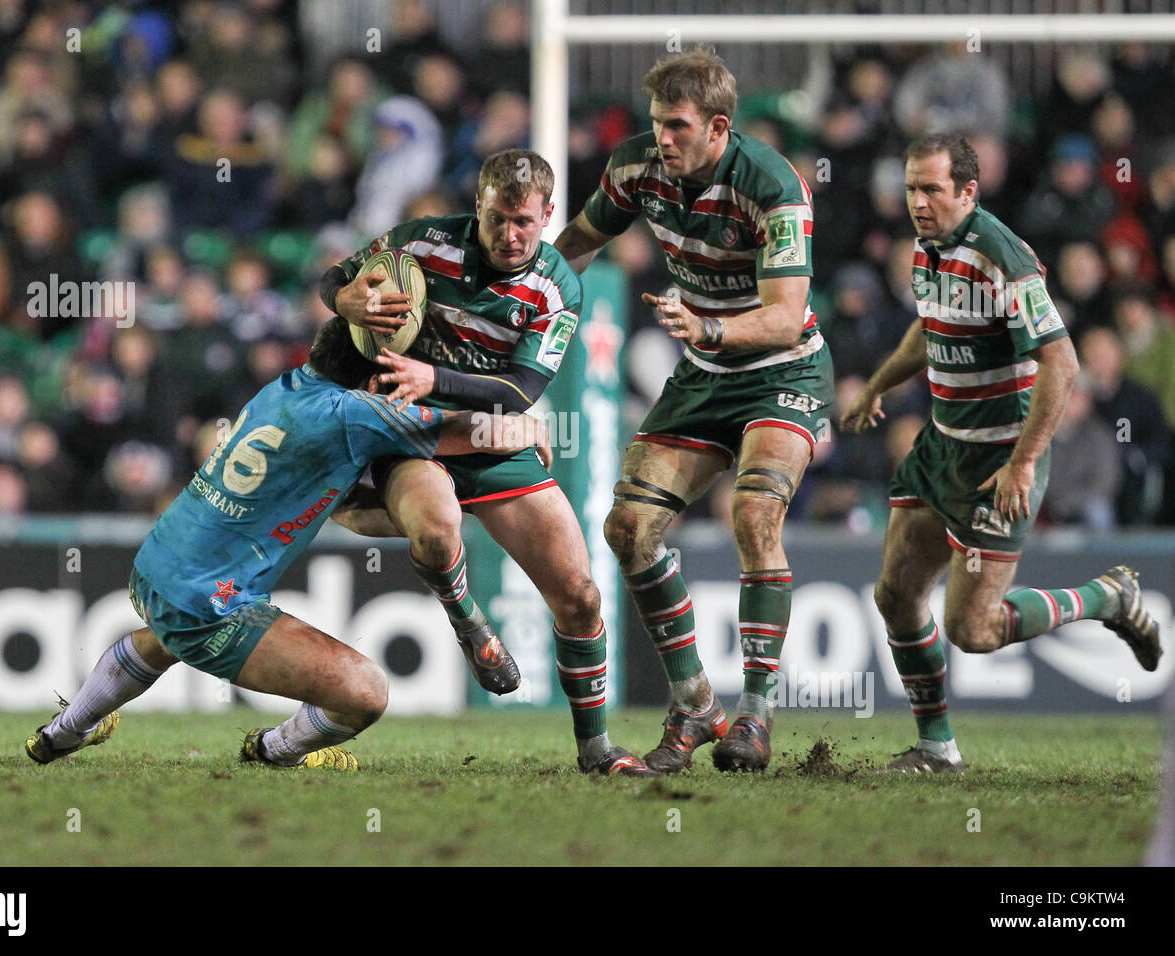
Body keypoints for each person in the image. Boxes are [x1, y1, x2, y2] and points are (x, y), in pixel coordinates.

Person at [24, 316, 550, 770]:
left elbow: (344, 509)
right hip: (210, 601)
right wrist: (529, 426)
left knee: (167, 633)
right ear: (371, 376)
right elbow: (471, 431)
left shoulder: (283, 387)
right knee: (366, 693)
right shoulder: (352, 414)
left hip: (155, 565)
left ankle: (65, 730)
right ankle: (275, 750)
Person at [321, 148, 656, 777]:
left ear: (548, 214)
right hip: (412, 435)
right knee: (438, 525)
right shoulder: (420, 245)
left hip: (491, 436)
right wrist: (348, 304)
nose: (509, 235)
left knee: (581, 598)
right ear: (477, 205)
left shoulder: (557, 285)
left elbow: (521, 391)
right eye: (497, 218)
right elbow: (332, 279)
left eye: (524, 222)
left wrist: (433, 374)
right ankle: (470, 623)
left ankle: (595, 750)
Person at [841, 133, 1162, 773]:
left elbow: (1062, 362)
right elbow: (928, 327)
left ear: (968, 190)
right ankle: (937, 748)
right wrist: (878, 383)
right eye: (910, 189)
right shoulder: (928, 250)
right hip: (941, 446)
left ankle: (1106, 598)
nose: (918, 202)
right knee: (895, 594)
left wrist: (1023, 461)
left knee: (974, 630)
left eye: (931, 189)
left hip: (998, 460)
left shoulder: (1001, 255)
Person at [552, 48, 834, 774]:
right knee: (628, 528)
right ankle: (698, 702)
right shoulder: (637, 165)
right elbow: (581, 240)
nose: (663, 139)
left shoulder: (772, 185)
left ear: (718, 127)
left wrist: (706, 326)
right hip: (705, 371)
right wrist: (528, 291)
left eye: (677, 126)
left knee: (753, 514)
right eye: (656, 123)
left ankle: (758, 716)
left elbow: (783, 315)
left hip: (781, 369)